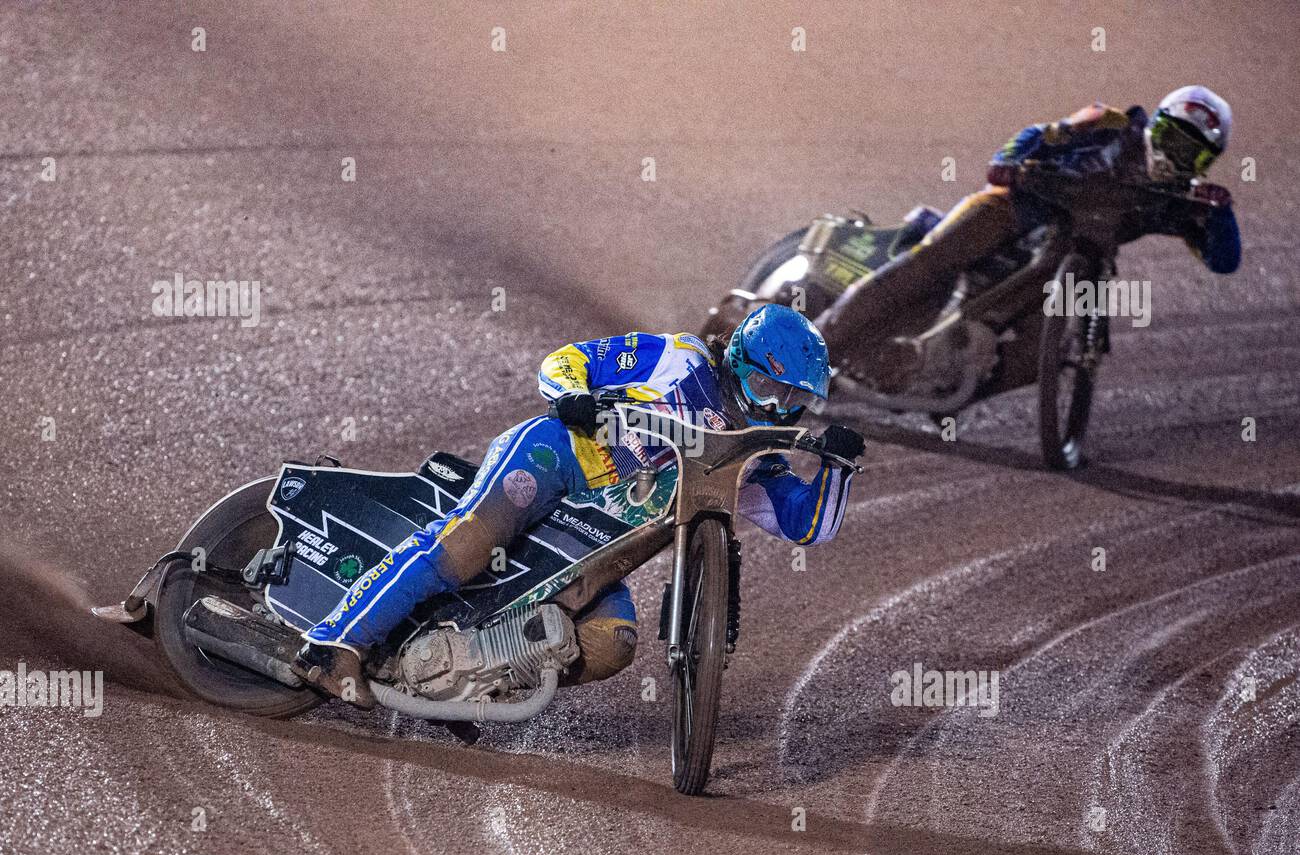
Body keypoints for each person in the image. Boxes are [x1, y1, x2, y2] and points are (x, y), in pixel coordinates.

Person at [290, 304, 865, 706]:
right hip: (557, 463)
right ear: (740, 364)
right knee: (466, 544)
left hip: (600, 544)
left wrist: (837, 468)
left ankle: (477, 674)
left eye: (797, 402)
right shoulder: (677, 356)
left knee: (610, 644)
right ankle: (334, 645)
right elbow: (567, 360)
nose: (782, 411)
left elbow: (806, 526)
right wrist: (573, 398)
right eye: (773, 391)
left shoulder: (755, 461)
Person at [818, 85, 1242, 391]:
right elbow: (1042, 133)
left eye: (1193, 152)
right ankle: (815, 346)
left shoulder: (1179, 200)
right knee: (934, 260)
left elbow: (1223, 262)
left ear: (1208, 161)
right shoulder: (1111, 123)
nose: (1177, 156)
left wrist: (1221, 216)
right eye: (1172, 140)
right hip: (1018, 207)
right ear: (1156, 126)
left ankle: (943, 381)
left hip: (1073, 260)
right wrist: (1008, 162)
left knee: (1037, 360)